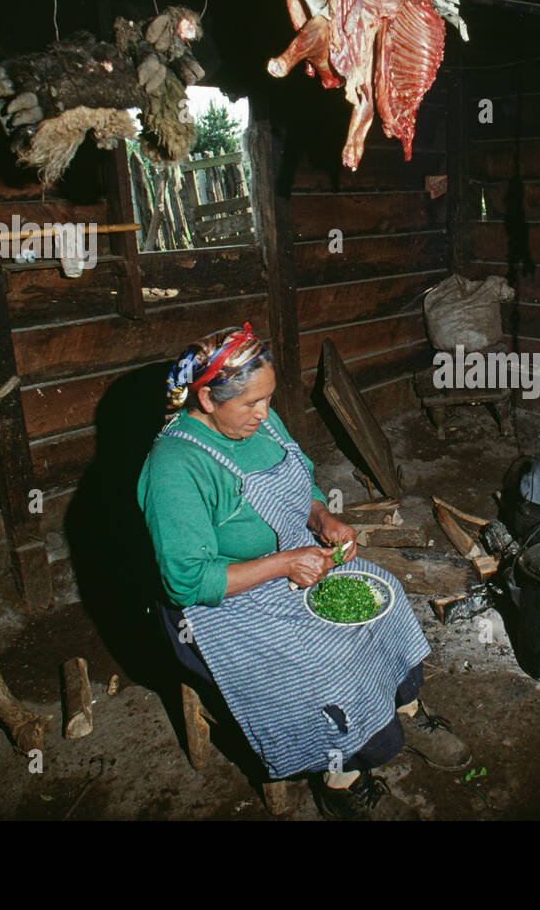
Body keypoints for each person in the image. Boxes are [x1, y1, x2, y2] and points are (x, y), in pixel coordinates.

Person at [137, 323, 469, 820]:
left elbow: (303, 482)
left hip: (293, 559)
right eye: (250, 403)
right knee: (323, 658)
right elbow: (187, 581)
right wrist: (283, 563)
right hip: (217, 602)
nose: (264, 413)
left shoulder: (260, 423)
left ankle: (405, 712)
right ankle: (342, 780)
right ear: (206, 398)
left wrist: (322, 518)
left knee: (388, 596)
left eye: (267, 398)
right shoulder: (176, 466)